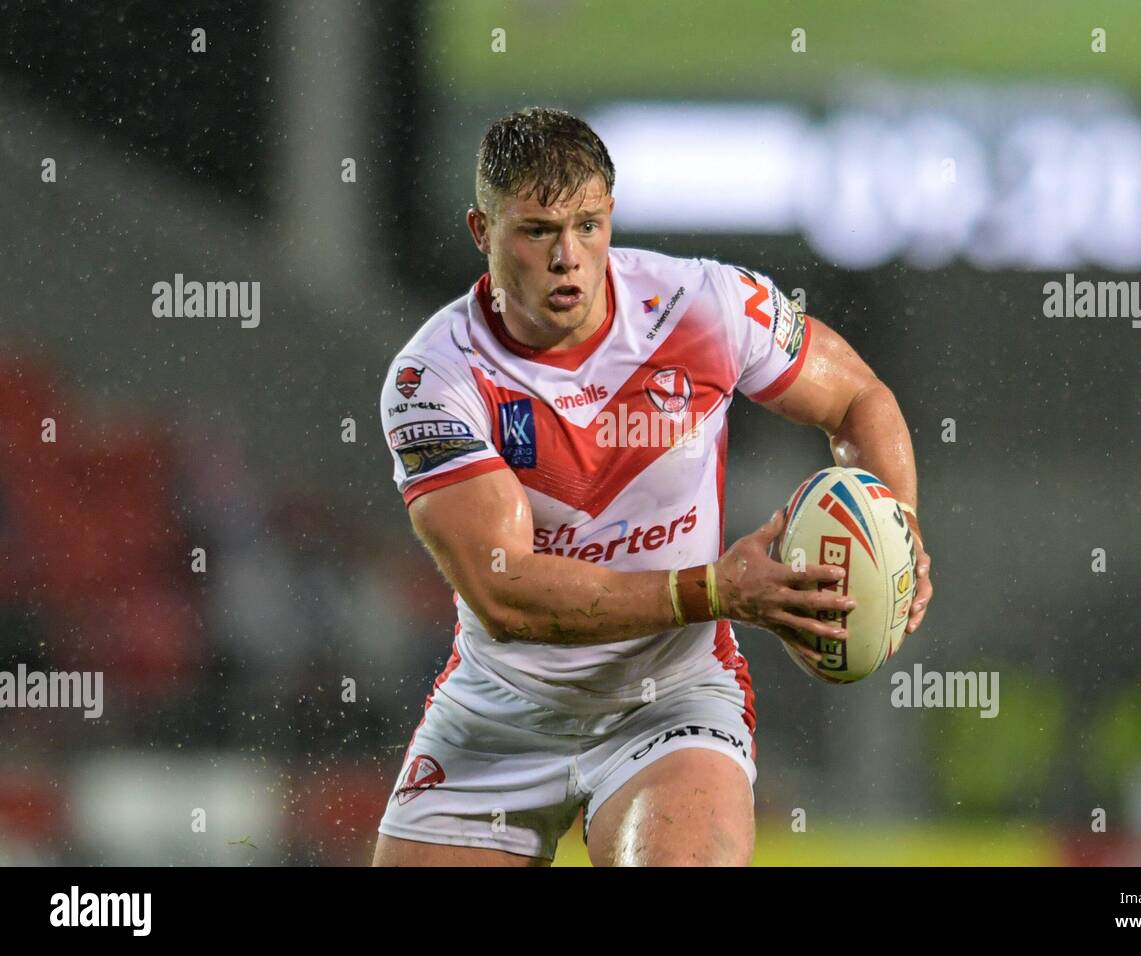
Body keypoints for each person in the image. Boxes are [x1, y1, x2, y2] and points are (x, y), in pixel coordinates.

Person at [371, 107, 932, 867]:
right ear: (482, 230)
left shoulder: (706, 305)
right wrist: (719, 590)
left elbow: (861, 401)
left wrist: (895, 536)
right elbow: (505, 595)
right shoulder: (434, 378)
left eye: (590, 225)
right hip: (499, 713)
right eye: (538, 231)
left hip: (669, 696)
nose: (569, 256)